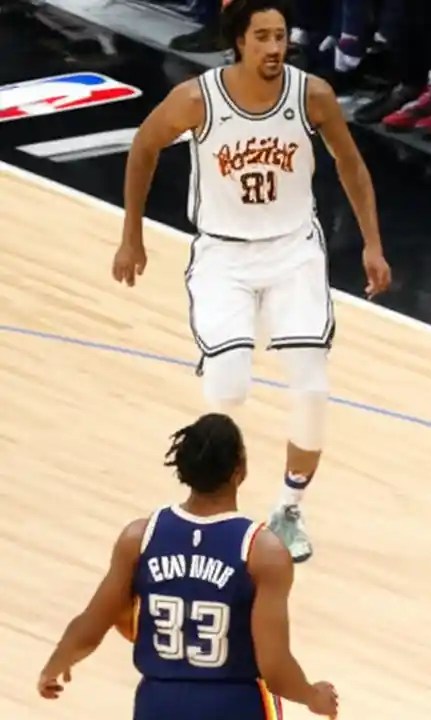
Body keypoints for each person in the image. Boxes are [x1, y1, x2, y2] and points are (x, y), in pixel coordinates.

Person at [111, 0, 393, 563]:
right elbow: (143, 147)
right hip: (224, 255)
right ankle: (210, 499)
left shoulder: (310, 95)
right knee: (228, 388)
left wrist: (373, 244)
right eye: (261, 36)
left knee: (312, 389)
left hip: (293, 252)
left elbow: (350, 164)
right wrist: (132, 235)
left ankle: (289, 508)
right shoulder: (198, 99)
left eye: (281, 36)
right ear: (238, 41)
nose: (273, 47)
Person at [36, 414, 339, 719]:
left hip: (158, 703)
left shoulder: (140, 538)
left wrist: (56, 664)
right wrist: (312, 696)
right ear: (240, 470)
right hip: (233, 703)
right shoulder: (262, 550)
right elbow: (274, 667)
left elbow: (92, 623)